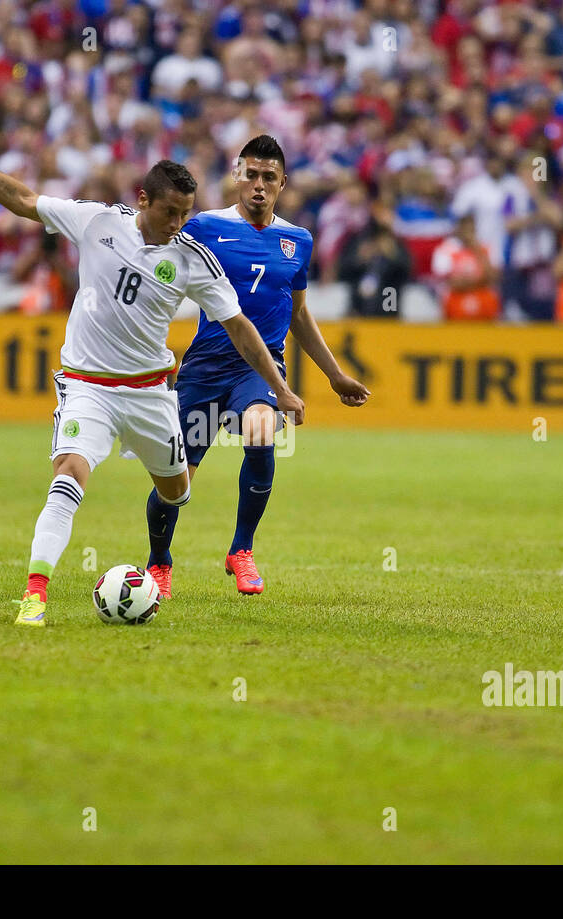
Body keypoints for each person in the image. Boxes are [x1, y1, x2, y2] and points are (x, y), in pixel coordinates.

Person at [0, 123, 304, 627]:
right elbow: (21, 198)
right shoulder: (97, 222)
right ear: (143, 199)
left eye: (186, 215)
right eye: (170, 213)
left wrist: (281, 389)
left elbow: (240, 327)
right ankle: (34, 596)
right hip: (88, 387)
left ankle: (173, 554)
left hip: (151, 394)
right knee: (69, 477)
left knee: (177, 491)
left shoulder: (193, 260)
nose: (178, 224)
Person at [143, 135, 370, 597]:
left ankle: (241, 549)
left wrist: (334, 375)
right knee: (177, 475)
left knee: (261, 429)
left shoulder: (297, 240)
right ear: (236, 175)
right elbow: (161, 279)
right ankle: (159, 562)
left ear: (283, 183)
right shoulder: (204, 227)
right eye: (251, 175)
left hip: (261, 368)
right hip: (206, 364)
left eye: (269, 177)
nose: (259, 185)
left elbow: (300, 314)